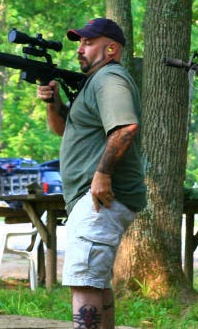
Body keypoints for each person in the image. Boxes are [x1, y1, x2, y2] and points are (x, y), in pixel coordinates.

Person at [37, 17, 146, 329]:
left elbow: (126, 128)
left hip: (99, 197)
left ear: (111, 49)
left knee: (84, 281)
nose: (80, 49)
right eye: (80, 43)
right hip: (93, 198)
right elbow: (63, 129)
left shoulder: (109, 79)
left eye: (88, 42)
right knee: (95, 282)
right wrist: (53, 102)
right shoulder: (94, 82)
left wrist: (102, 174)